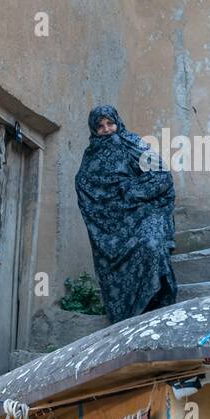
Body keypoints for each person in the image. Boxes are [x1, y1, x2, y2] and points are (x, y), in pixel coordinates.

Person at [75, 105, 178, 322]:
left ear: (117, 122)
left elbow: (162, 176)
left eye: (109, 123)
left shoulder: (133, 143)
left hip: (146, 212)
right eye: (100, 126)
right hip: (113, 223)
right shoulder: (90, 157)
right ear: (93, 130)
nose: (106, 129)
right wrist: (113, 201)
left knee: (151, 245)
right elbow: (85, 188)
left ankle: (156, 303)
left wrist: (132, 191)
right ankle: (131, 314)